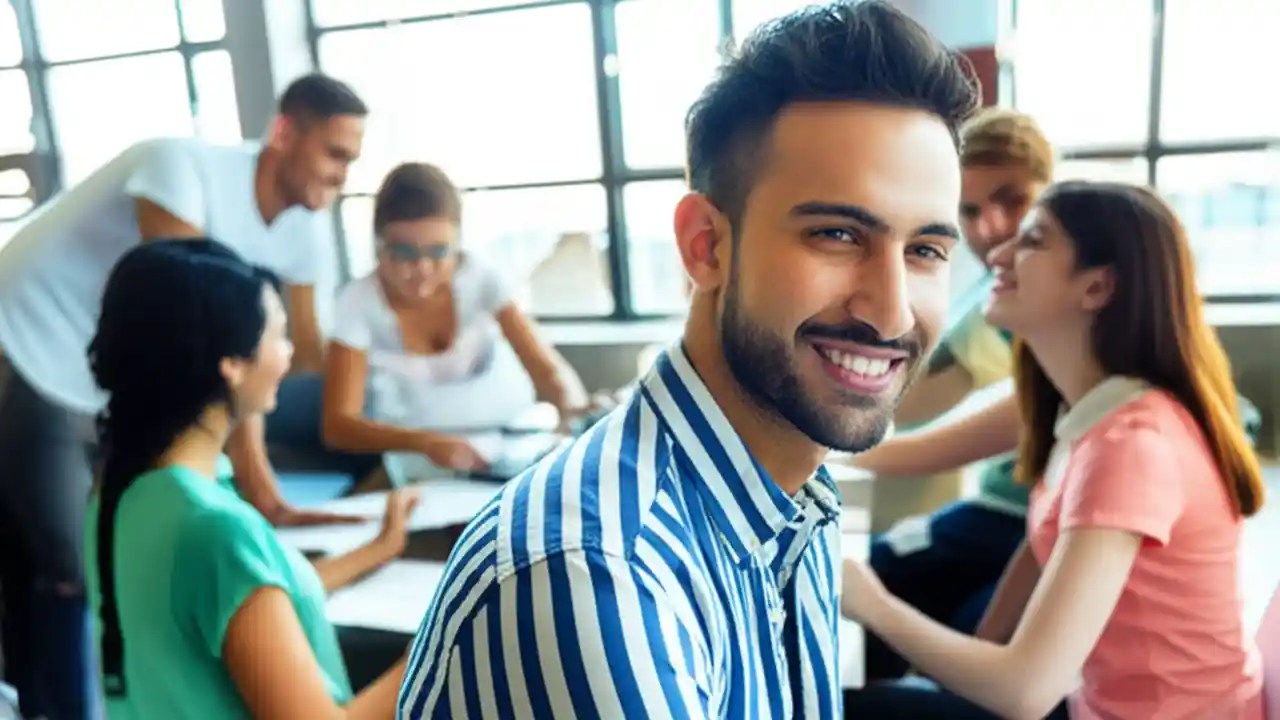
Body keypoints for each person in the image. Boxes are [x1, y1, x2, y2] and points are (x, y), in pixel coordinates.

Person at [397, 2, 979, 716]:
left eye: (925, 250)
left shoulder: (797, 506)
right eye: (836, 234)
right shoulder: (600, 576)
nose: (891, 311)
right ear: (705, 245)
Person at [0, 73, 366, 719]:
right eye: (335, 154)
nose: (342, 176)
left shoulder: (302, 230)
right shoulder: (182, 167)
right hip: (30, 342)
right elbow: (189, 334)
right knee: (65, 568)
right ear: (284, 132)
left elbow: (268, 354)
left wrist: (263, 493)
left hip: (125, 375)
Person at [842, 182, 1266, 719]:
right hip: (1096, 702)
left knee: (847, 705)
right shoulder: (1085, 409)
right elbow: (1036, 553)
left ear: (1097, 287)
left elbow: (1025, 693)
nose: (997, 255)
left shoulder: (1132, 446)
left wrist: (871, 603)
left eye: (1032, 241)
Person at [85, 239, 413, 718]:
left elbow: (250, 603)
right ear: (232, 365)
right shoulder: (214, 530)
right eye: (279, 336)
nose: (289, 353)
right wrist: (438, 649)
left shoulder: (118, 494)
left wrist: (378, 549)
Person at [849, 108, 1054, 681]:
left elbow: (929, 431)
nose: (991, 229)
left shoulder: (1074, 360)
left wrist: (818, 443)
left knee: (892, 622)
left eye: (1013, 200)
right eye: (969, 210)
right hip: (1008, 518)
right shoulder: (995, 296)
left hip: (1024, 530)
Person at [321, 162, 589, 476]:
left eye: (438, 252)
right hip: (410, 461)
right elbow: (337, 425)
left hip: (502, 450)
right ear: (379, 246)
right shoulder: (356, 303)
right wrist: (427, 443)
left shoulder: (483, 279)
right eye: (405, 252)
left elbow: (548, 372)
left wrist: (574, 413)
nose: (422, 268)